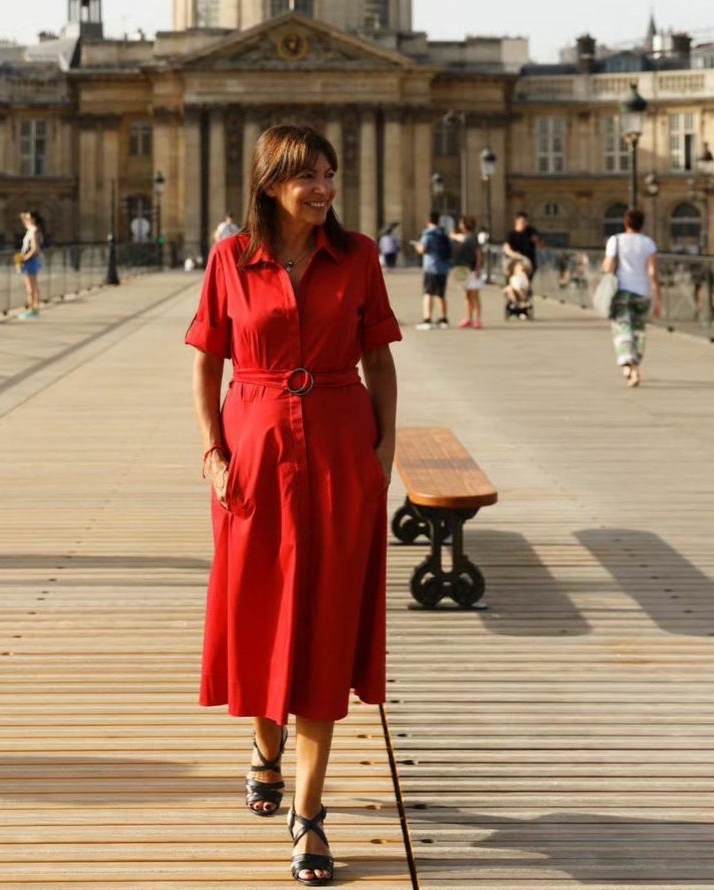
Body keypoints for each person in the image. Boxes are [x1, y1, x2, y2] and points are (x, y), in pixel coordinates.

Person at [185, 124, 400, 887]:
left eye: (329, 173)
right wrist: (213, 456)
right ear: (270, 181)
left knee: (326, 619)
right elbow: (207, 365)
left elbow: (377, 358)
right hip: (254, 456)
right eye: (306, 175)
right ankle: (264, 746)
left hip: (342, 452)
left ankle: (309, 813)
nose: (323, 187)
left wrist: (382, 454)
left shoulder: (359, 255)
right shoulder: (228, 260)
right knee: (262, 611)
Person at [601, 208, 662, 387]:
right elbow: (652, 272)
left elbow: (608, 265)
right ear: (642, 224)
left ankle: (631, 366)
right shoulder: (648, 243)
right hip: (643, 293)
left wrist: (606, 266)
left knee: (623, 329)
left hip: (622, 291)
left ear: (626, 223)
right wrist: (658, 298)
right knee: (638, 331)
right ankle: (634, 365)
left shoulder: (616, 240)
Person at [413, 210, 452, 329]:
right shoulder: (443, 233)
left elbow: (423, 249)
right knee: (441, 294)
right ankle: (444, 319)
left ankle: (427, 319)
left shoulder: (428, 234)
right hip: (443, 268)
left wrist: (417, 246)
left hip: (431, 267)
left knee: (428, 293)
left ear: (428, 221)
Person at [450, 215, 484, 328]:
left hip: (473, 269)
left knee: (475, 295)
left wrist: (478, 268)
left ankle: (478, 319)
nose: (459, 225)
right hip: (463, 269)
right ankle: (469, 317)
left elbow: (478, 254)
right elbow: (459, 237)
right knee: (467, 295)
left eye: (461, 223)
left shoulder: (473, 238)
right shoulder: (466, 237)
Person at [17, 211, 44, 320]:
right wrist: (23, 217)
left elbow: (35, 249)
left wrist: (24, 259)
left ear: (33, 219)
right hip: (30, 260)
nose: (27, 220)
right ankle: (34, 308)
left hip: (30, 260)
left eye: (29, 218)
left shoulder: (33, 231)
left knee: (31, 287)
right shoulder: (31, 229)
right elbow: (26, 224)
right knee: (32, 286)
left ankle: (33, 309)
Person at [503, 210, 541, 279]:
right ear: (516, 221)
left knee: (524, 282)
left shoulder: (530, 231)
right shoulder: (511, 234)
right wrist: (515, 255)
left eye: (524, 222)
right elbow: (506, 247)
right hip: (515, 261)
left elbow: (540, 242)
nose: (522, 224)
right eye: (521, 221)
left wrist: (536, 240)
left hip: (528, 262)